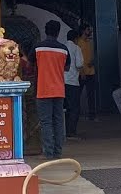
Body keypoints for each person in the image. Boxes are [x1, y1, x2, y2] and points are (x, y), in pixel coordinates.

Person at [34, 20, 70, 159]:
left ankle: (48, 152)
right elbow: (67, 67)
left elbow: (32, 63)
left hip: (43, 90)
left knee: (46, 122)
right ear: (58, 31)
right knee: (58, 121)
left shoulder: (38, 48)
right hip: (59, 90)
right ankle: (58, 152)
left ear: (45, 30)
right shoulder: (63, 49)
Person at [64, 28, 84, 140]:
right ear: (76, 38)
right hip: (73, 82)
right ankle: (72, 132)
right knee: (74, 107)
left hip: (62, 82)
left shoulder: (62, 47)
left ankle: (64, 131)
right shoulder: (76, 48)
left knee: (64, 107)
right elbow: (79, 64)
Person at [76, 24, 97, 120]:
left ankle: (92, 114)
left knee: (91, 94)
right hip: (81, 73)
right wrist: (82, 71)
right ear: (83, 31)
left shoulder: (89, 42)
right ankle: (76, 113)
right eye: (88, 30)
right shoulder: (78, 43)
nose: (90, 31)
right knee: (77, 94)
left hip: (91, 71)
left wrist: (93, 61)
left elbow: (91, 55)